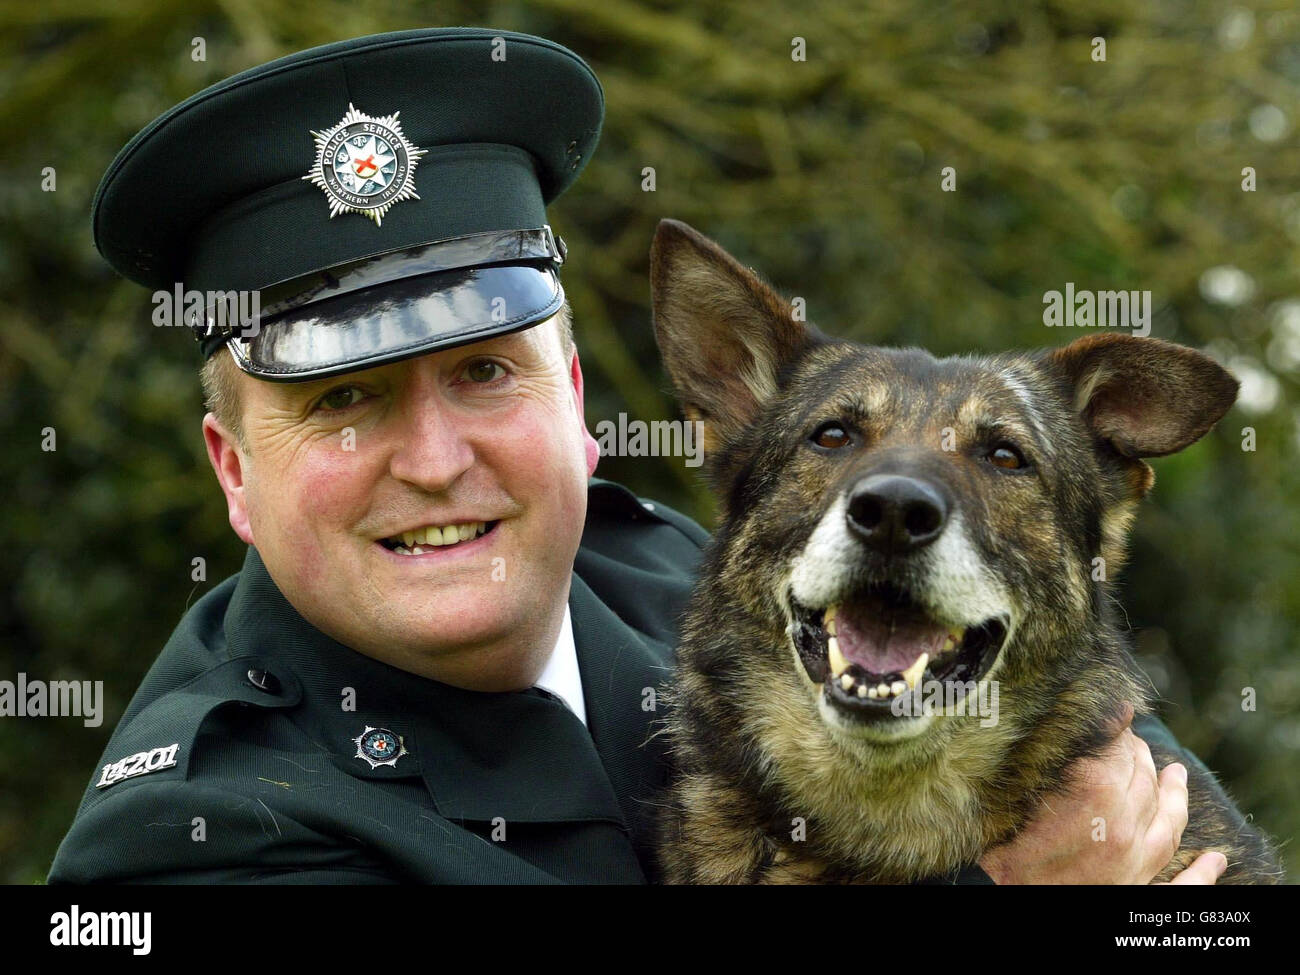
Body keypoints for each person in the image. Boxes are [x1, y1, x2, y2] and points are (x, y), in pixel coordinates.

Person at [47, 27, 1225, 885]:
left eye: (483, 373)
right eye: (343, 400)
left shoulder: (680, 563)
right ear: (233, 470)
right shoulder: (198, 844)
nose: (435, 458)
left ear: (571, 395)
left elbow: (1124, 771)